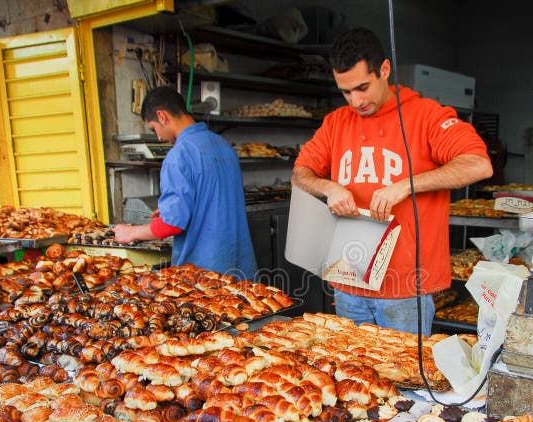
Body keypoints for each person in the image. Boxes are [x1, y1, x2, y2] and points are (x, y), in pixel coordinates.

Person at [292, 27, 492, 334]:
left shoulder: (426, 116)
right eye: (346, 92)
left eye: (362, 87)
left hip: (404, 288)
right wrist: (329, 188)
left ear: (384, 69)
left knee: (406, 376)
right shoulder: (336, 123)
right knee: (353, 376)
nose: (356, 101)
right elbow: (301, 173)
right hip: (349, 281)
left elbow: (479, 165)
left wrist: (407, 185)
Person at [113, 86, 257, 280]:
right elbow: (213, 199)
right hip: (240, 270)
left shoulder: (179, 155)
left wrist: (131, 232)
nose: (159, 137)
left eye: (154, 129)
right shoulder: (223, 145)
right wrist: (173, 210)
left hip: (206, 277)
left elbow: (171, 225)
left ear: (162, 116)